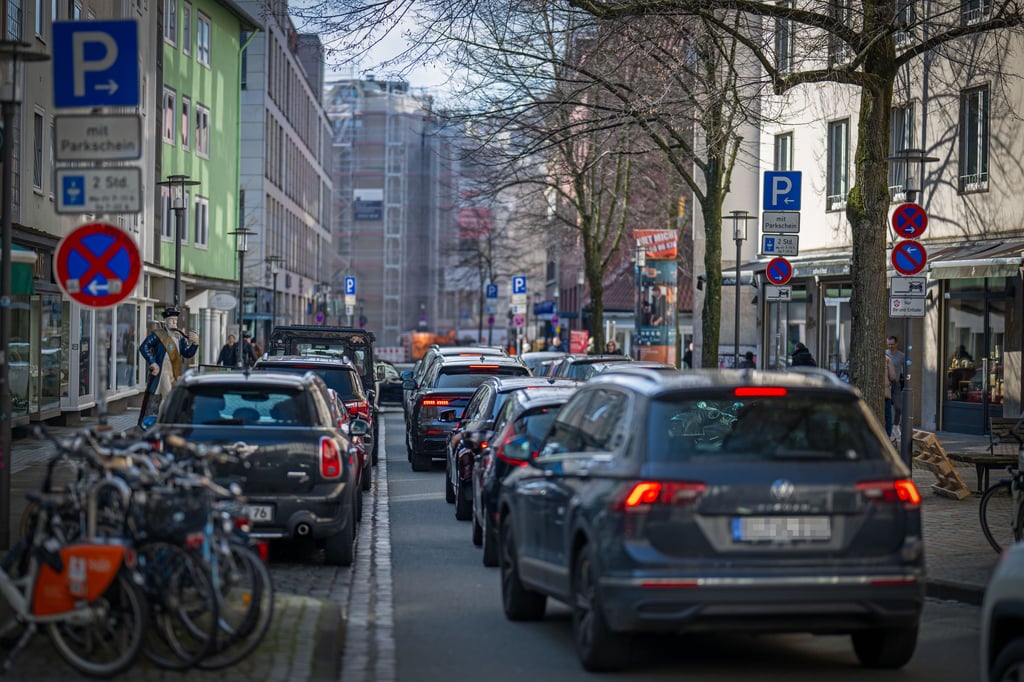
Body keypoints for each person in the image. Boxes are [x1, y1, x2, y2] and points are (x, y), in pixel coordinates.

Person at [138, 306, 199, 425]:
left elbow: (187, 353)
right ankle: (163, 421)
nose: (174, 323)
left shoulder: (179, 337)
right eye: (171, 320)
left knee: (173, 397)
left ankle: (166, 420)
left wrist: (195, 343)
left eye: (175, 320)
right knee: (168, 396)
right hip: (163, 372)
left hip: (175, 372)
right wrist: (153, 362)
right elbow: (143, 347)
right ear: (166, 321)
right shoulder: (158, 334)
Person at [887, 335, 906, 433]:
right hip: (886, 384)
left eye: (892, 344)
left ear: (896, 344)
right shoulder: (884, 354)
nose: (890, 346)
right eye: (888, 344)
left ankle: (896, 425)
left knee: (898, 407)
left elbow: (906, 369)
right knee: (886, 407)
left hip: (896, 383)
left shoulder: (901, 356)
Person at [884, 350, 898, 439]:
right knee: (887, 416)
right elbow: (893, 376)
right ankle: (887, 436)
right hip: (885, 393)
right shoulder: (887, 359)